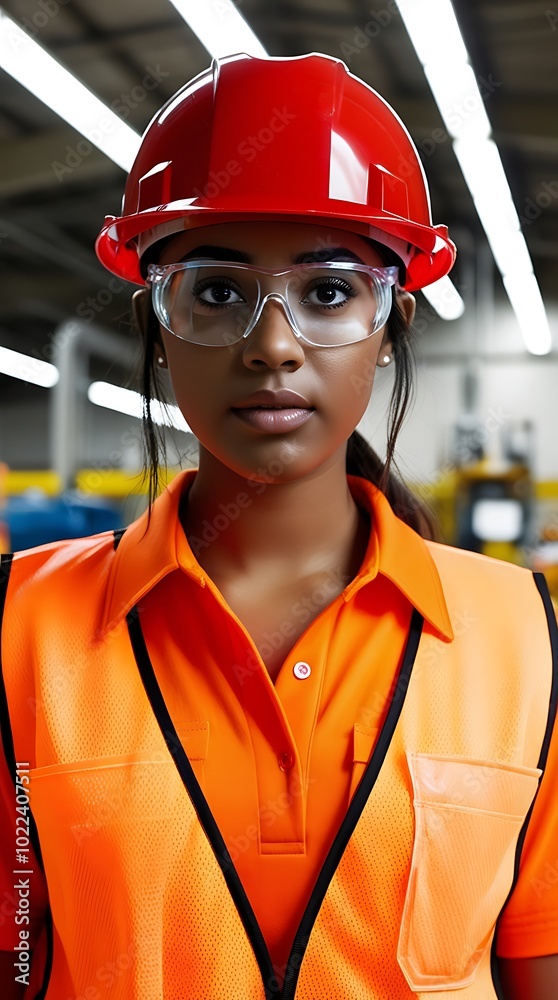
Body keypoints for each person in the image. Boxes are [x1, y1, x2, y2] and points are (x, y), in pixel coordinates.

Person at [0, 52, 556, 1000]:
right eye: (215, 292)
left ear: (392, 325)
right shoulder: (23, 626)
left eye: (330, 292)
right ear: (156, 322)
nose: (272, 345)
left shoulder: (524, 635)